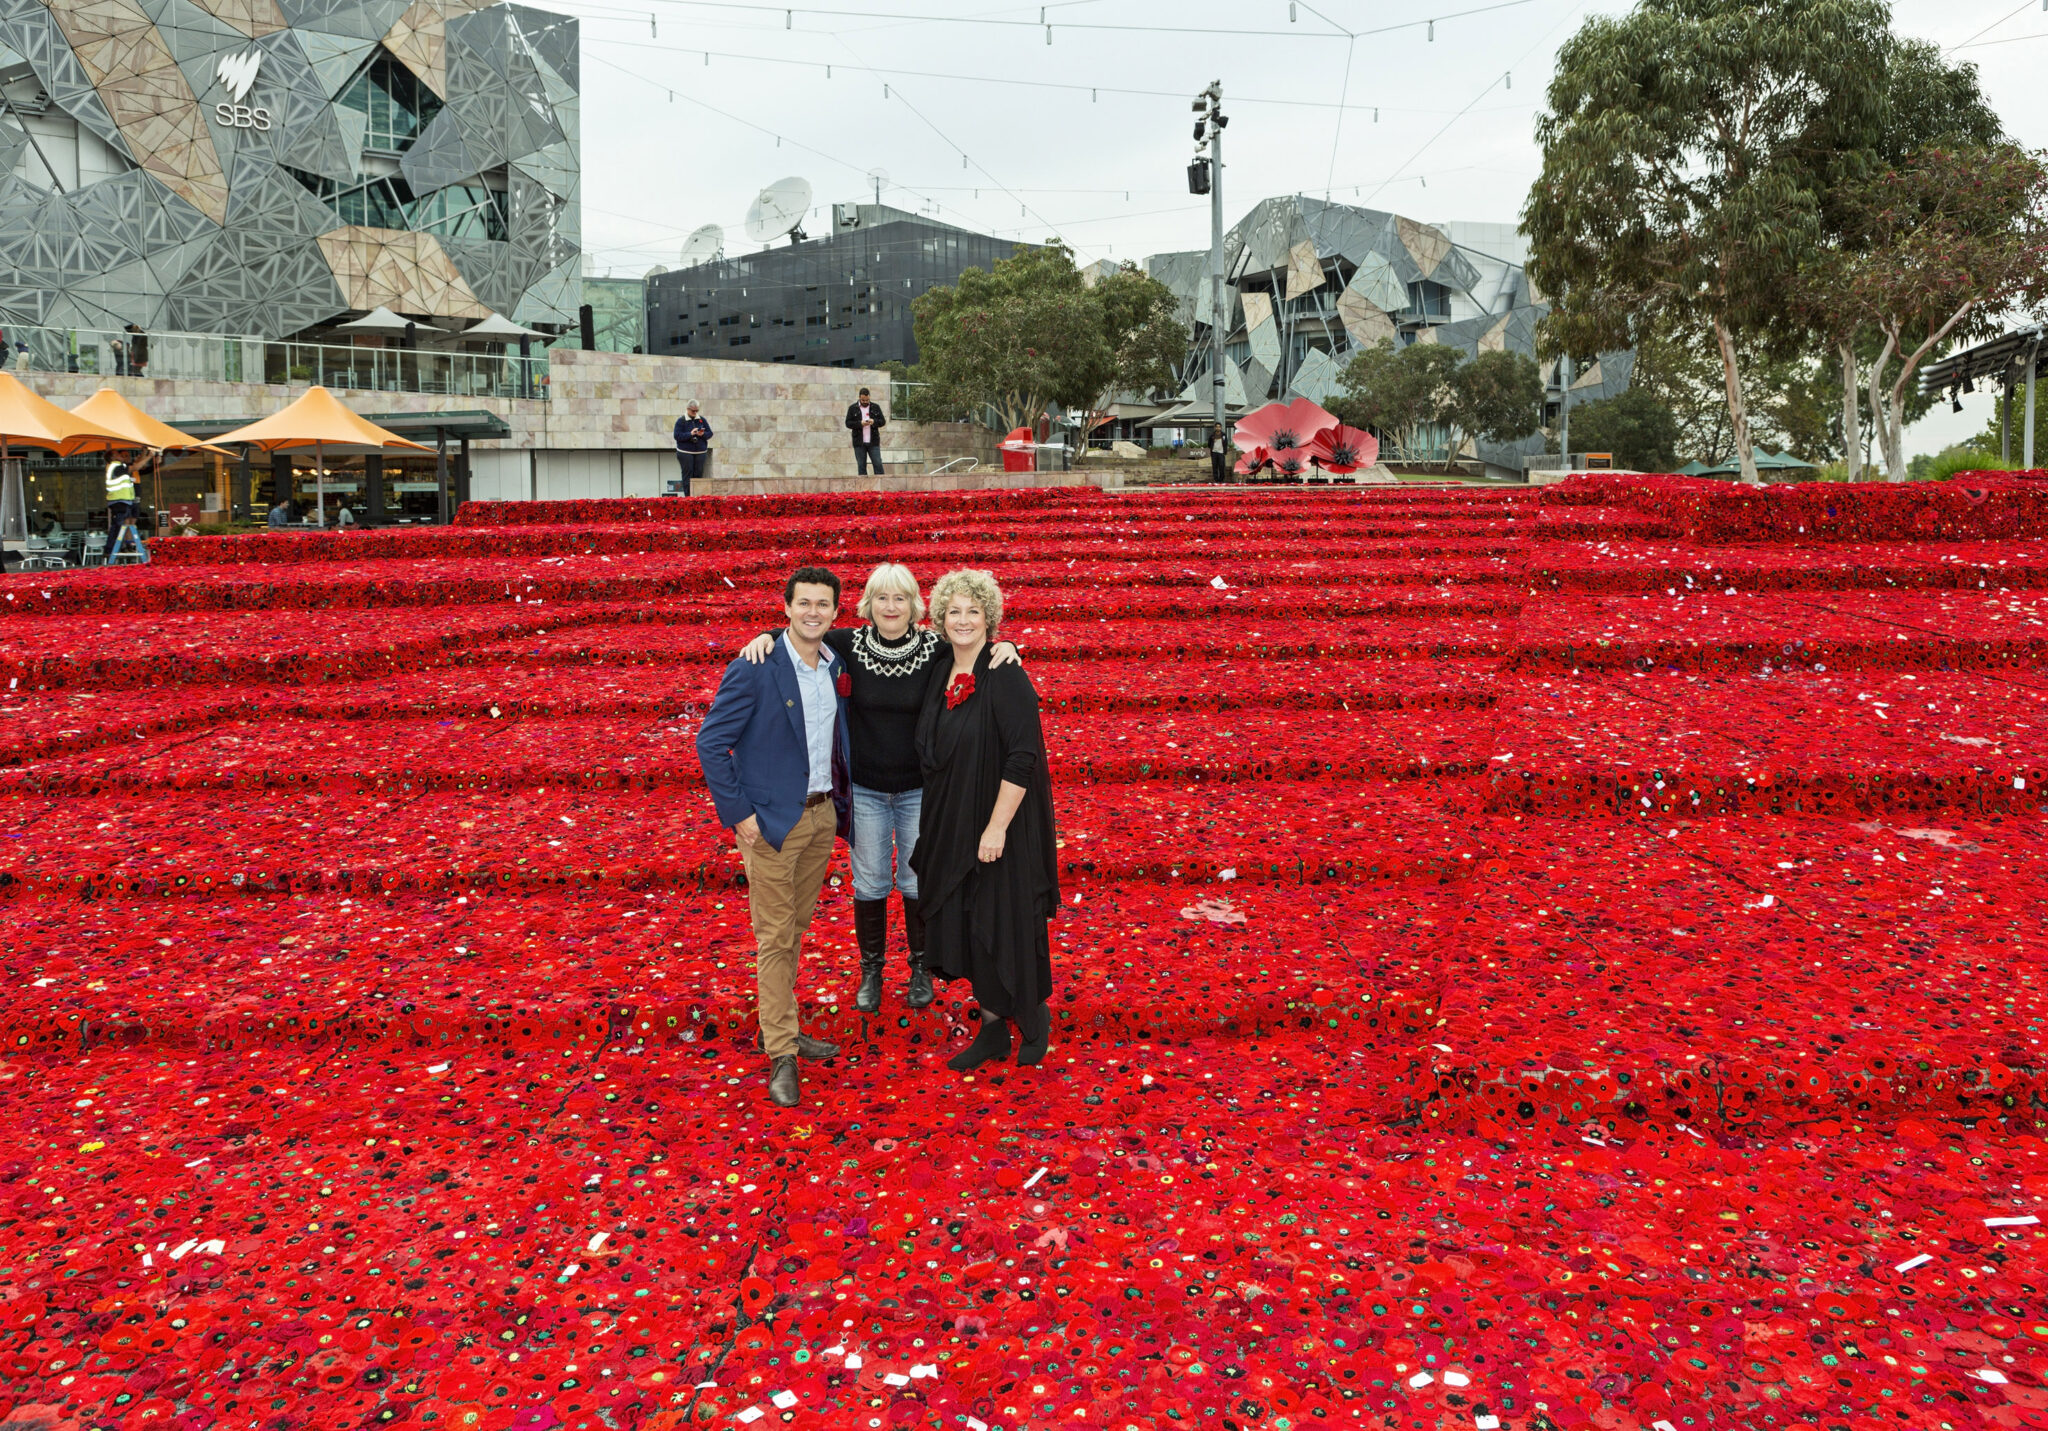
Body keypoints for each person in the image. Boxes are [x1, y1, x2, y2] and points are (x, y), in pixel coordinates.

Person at [735, 566, 1021, 1013]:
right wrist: (765, 636)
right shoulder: (845, 644)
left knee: (913, 879)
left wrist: (1008, 644)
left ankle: (920, 967)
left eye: (901, 598)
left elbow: (974, 648)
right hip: (865, 788)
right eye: (882, 598)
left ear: (915, 604)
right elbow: (802, 632)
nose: (891, 607)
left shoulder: (934, 647)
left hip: (918, 789)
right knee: (869, 881)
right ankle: (872, 969)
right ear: (869, 603)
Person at [695, 566, 853, 1109]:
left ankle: (776, 1027)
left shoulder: (835, 663)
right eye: (803, 603)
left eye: (823, 605)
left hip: (821, 817)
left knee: (795, 928)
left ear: (836, 612)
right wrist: (740, 815)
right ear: (785, 608)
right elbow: (710, 742)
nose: (813, 612)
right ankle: (782, 1053)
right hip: (770, 824)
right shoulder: (756, 666)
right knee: (776, 935)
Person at [912, 569, 1058, 1071]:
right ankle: (994, 1032)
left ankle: (1033, 1023)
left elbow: (1023, 758)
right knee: (973, 929)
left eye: (974, 611)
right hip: (953, 825)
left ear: (989, 618)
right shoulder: (938, 669)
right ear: (939, 619)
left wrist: (995, 828)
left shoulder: (1006, 673)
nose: (963, 620)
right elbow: (858, 637)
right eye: (954, 611)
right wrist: (769, 634)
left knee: (1006, 926)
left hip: (1001, 828)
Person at [672, 401, 712, 495]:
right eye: (693, 411)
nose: (695, 413)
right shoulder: (681, 420)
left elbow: (710, 433)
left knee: (698, 476)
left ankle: (697, 498)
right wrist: (690, 434)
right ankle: (688, 498)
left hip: (700, 452)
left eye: (696, 411)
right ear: (688, 409)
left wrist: (702, 434)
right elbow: (677, 436)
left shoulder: (702, 420)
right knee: (687, 476)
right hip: (685, 452)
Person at [845, 387, 887, 476]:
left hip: (873, 442)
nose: (865, 402)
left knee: (878, 464)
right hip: (859, 443)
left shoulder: (875, 407)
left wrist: (874, 422)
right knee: (861, 466)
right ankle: (863, 489)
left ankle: (881, 487)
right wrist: (860, 423)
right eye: (863, 400)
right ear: (859, 397)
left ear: (869, 397)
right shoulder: (853, 408)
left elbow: (882, 421)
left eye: (867, 400)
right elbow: (848, 423)